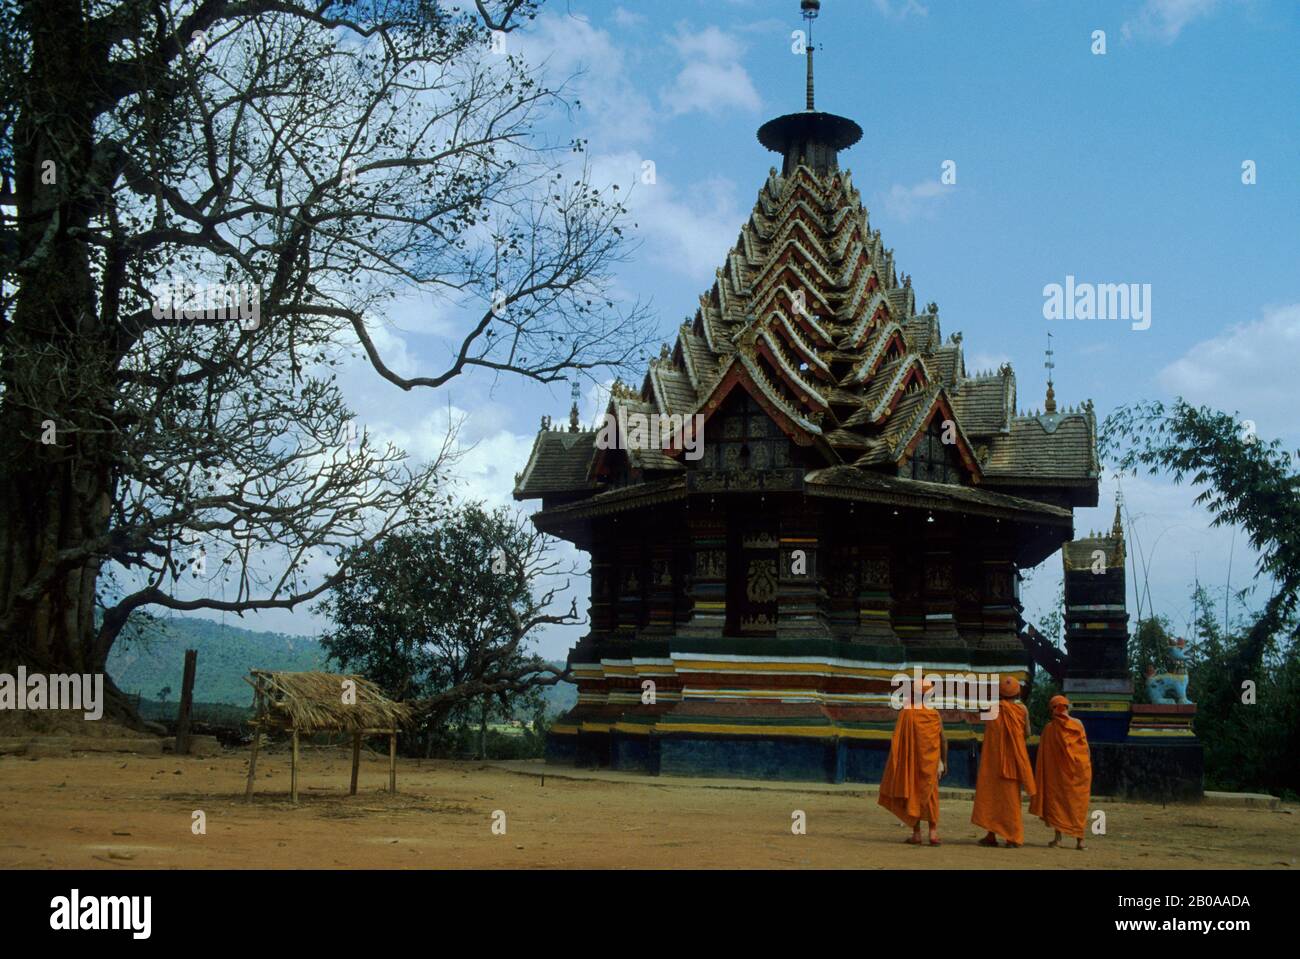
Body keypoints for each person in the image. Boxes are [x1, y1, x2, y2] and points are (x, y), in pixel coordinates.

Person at [879, 676, 948, 846]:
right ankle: (933, 833)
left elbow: (897, 741)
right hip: (931, 763)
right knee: (931, 796)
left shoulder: (906, 713)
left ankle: (916, 834)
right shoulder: (934, 714)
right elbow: (944, 740)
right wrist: (944, 761)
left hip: (912, 764)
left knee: (913, 795)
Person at [972, 675, 1035, 847]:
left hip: (994, 762)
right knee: (1011, 801)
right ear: (1017, 692)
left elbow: (981, 721)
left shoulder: (993, 709)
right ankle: (1012, 838)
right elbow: (1028, 733)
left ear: (999, 692)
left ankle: (991, 835)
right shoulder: (1022, 710)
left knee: (992, 797)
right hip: (1013, 762)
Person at [1029, 694, 1092, 850]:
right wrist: (1085, 767)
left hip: (1058, 775)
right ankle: (1080, 840)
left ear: (1051, 709)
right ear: (1068, 707)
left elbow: (1044, 756)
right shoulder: (1078, 724)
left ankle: (1058, 840)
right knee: (1078, 806)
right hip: (1080, 772)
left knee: (1058, 804)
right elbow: (1086, 750)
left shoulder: (1049, 729)